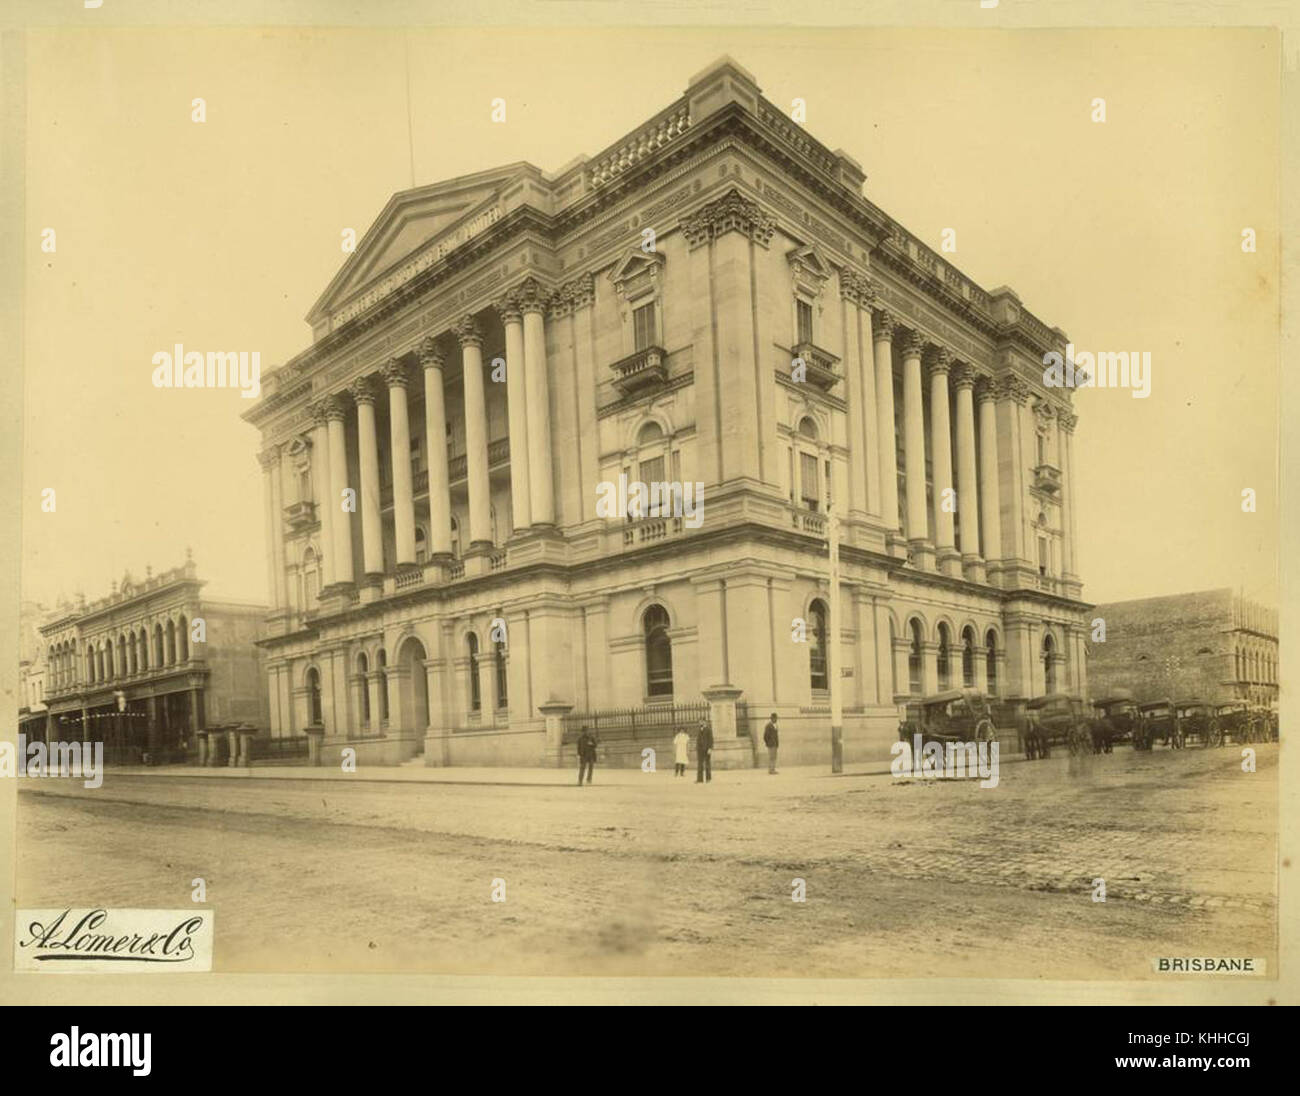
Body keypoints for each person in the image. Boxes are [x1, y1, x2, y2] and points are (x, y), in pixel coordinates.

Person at [695, 718, 713, 783]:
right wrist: (697, 747)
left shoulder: (708, 729)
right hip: (700, 750)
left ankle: (708, 779)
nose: (700, 723)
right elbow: (698, 740)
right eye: (699, 722)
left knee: (707, 764)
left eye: (701, 721)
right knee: (700, 764)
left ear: (705, 722)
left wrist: (710, 748)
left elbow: (711, 739)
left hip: (707, 749)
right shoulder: (699, 729)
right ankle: (700, 779)